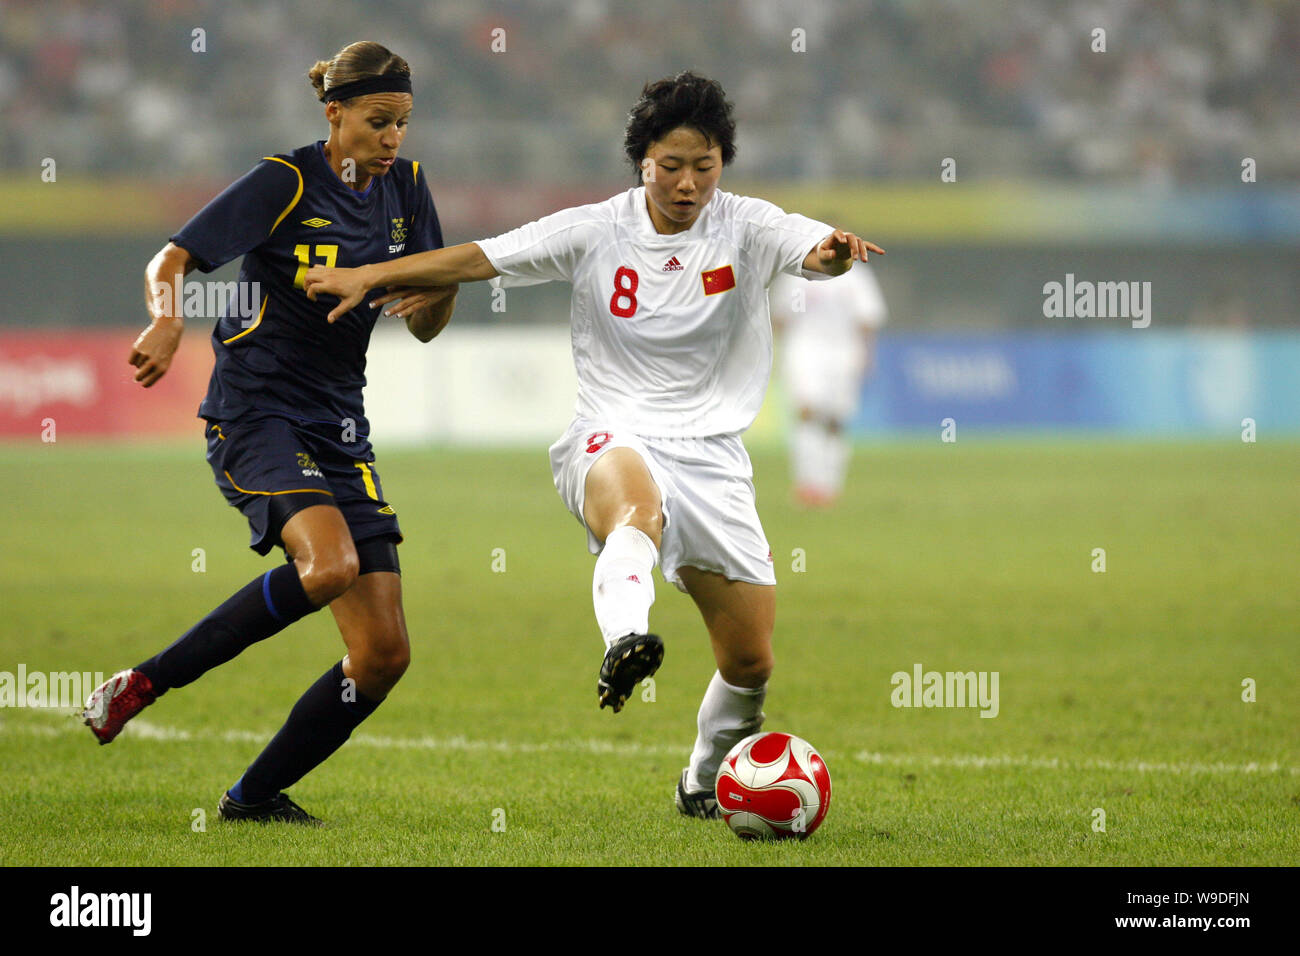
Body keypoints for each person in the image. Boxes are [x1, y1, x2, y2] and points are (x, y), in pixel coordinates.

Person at [303, 71, 883, 819]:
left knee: (750, 660)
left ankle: (704, 781)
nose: (686, 182)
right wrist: (371, 274)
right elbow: (482, 257)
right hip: (611, 434)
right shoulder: (596, 228)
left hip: (712, 454)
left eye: (702, 167)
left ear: (721, 166)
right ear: (642, 160)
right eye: (670, 165)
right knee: (635, 512)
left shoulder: (745, 225)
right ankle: (627, 640)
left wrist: (832, 253)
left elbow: (812, 244)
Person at [82, 41, 457, 825]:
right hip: (257, 409)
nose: (393, 140)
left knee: (383, 656)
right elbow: (174, 255)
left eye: (403, 125)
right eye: (378, 122)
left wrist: (433, 285)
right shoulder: (287, 181)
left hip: (340, 424)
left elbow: (427, 325)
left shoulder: (410, 189)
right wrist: (165, 319)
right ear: (336, 114)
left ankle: (252, 799)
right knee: (326, 568)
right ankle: (146, 681)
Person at [770, 266, 887, 507]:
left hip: (845, 352)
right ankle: (807, 484)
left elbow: (868, 317)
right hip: (804, 350)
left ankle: (829, 485)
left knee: (836, 419)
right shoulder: (796, 275)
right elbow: (779, 317)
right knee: (807, 411)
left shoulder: (856, 277)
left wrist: (868, 353)